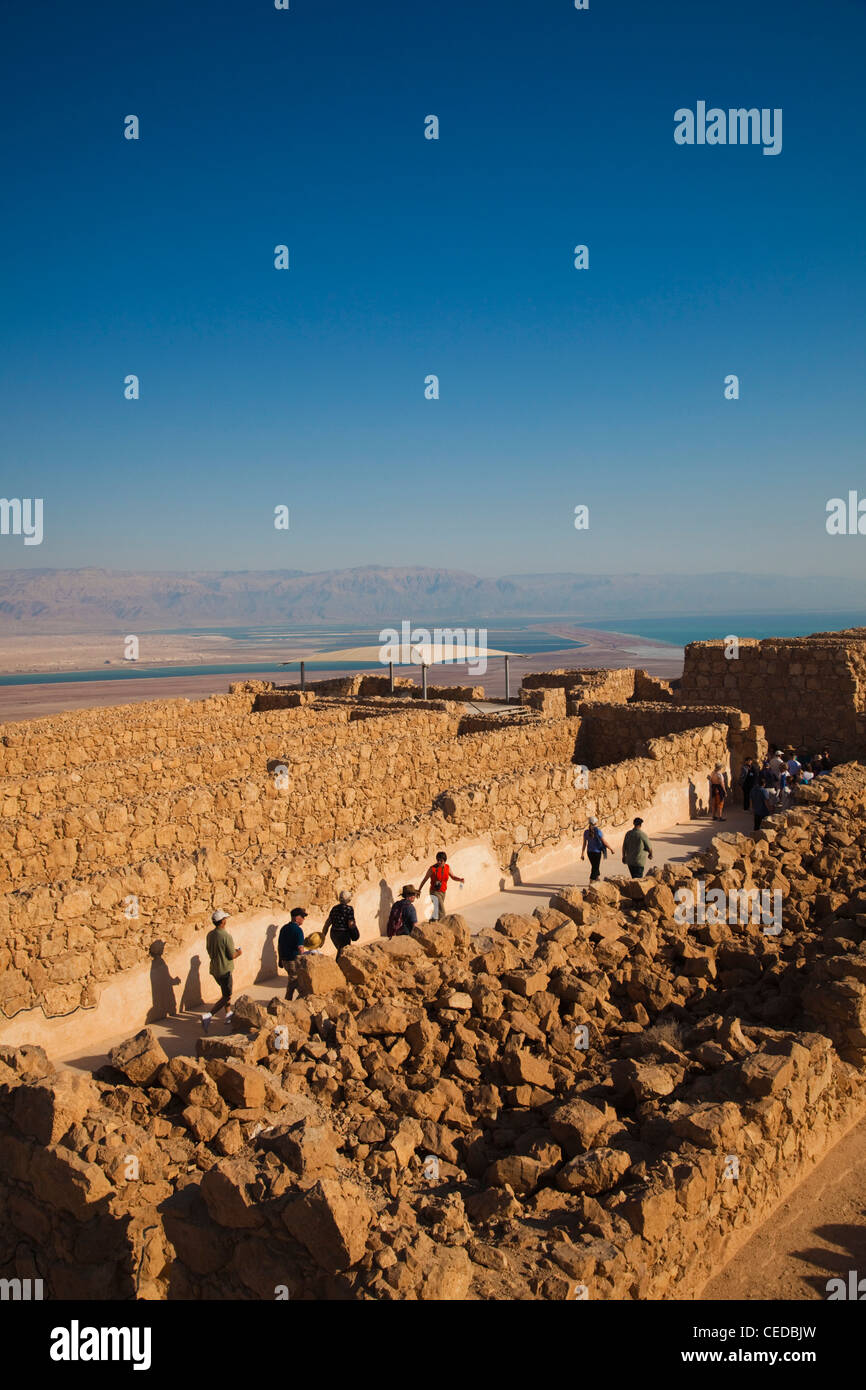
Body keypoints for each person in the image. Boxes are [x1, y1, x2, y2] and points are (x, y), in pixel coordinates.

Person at [202, 909, 242, 1033]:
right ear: (223, 922)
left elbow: (209, 950)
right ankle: (208, 1015)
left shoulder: (210, 935)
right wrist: (239, 952)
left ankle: (228, 1014)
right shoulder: (226, 936)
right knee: (227, 995)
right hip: (225, 969)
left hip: (214, 969)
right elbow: (231, 955)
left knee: (225, 991)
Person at [418, 851, 464, 921]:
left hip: (443, 892)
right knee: (442, 911)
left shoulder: (447, 867)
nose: (439, 862)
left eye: (441, 861)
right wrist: (419, 890)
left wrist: (459, 879)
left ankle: (432, 922)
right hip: (434, 892)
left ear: (445, 861)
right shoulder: (432, 869)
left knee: (437, 910)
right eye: (438, 860)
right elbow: (424, 880)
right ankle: (442, 926)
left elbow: (453, 877)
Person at [277, 908, 308, 999]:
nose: (303, 919)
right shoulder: (298, 930)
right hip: (293, 961)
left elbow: (279, 945)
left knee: (292, 981)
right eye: (302, 917)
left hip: (285, 960)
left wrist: (280, 959)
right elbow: (300, 948)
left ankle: (288, 1000)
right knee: (299, 984)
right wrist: (304, 961)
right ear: (296, 918)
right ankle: (293, 1001)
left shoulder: (284, 928)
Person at [323, 890, 360, 957]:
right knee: (342, 954)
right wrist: (355, 934)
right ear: (348, 900)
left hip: (333, 934)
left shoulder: (334, 908)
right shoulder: (349, 909)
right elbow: (351, 924)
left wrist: (323, 936)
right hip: (343, 934)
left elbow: (327, 923)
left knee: (340, 951)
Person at [580, 817, 610, 882]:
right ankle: (591, 881)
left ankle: (597, 878)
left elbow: (584, 844)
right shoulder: (598, 831)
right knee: (595, 867)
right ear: (596, 823)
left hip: (589, 852)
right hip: (597, 852)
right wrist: (611, 849)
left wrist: (582, 853)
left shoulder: (586, 832)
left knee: (594, 866)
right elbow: (604, 842)